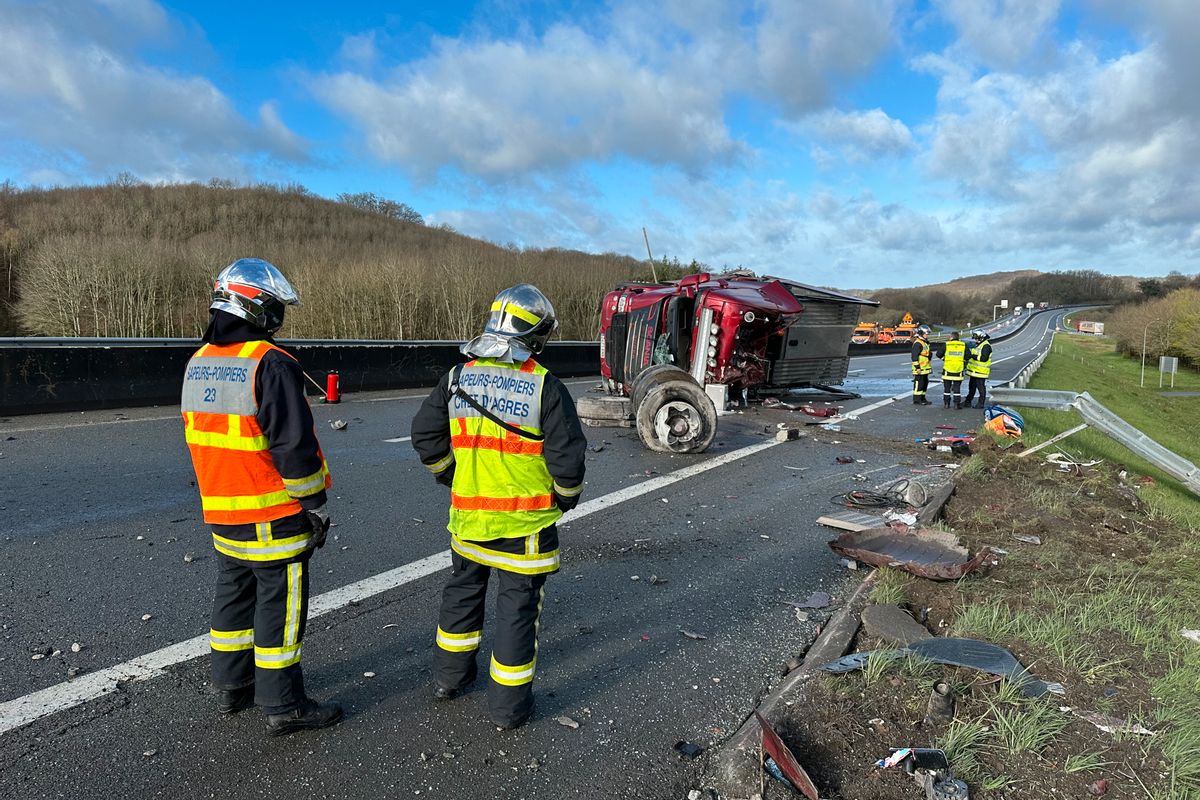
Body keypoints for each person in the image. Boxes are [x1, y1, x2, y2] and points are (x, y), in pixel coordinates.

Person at [412, 284, 587, 730]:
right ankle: (508, 710)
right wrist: (565, 499)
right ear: (536, 336)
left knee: (461, 596)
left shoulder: (457, 376)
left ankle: (449, 680)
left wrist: (451, 475)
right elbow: (568, 460)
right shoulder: (544, 385)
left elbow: (425, 435)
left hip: (469, 520)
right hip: (525, 527)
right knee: (516, 614)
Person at [180, 258, 342, 736]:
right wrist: (314, 506)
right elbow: (293, 447)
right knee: (280, 609)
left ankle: (232, 688)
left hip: (221, 510)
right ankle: (284, 704)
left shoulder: (198, 361)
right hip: (272, 512)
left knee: (233, 598)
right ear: (256, 308)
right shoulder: (270, 362)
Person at [963, 330, 994, 409]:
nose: (976, 340)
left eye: (977, 339)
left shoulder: (986, 346)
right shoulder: (978, 345)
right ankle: (967, 402)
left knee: (981, 388)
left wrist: (973, 356)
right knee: (971, 387)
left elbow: (984, 358)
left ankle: (981, 403)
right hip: (974, 371)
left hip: (980, 372)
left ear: (981, 338)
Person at [939, 331, 967, 409]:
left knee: (947, 389)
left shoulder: (947, 344)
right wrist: (963, 361)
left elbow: (938, 354)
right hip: (958, 370)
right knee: (957, 389)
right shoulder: (963, 345)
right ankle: (956, 405)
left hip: (947, 370)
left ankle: (946, 404)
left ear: (951, 337)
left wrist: (944, 358)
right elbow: (968, 355)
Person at [910, 324, 933, 405]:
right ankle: (917, 399)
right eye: (926, 334)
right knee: (919, 384)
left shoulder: (924, 342)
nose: (927, 335)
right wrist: (917, 368)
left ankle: (923, 398)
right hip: (919, 369)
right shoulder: (918, 343)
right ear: (921, 333)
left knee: (924, 383)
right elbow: (914, 357)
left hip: (925, 368)